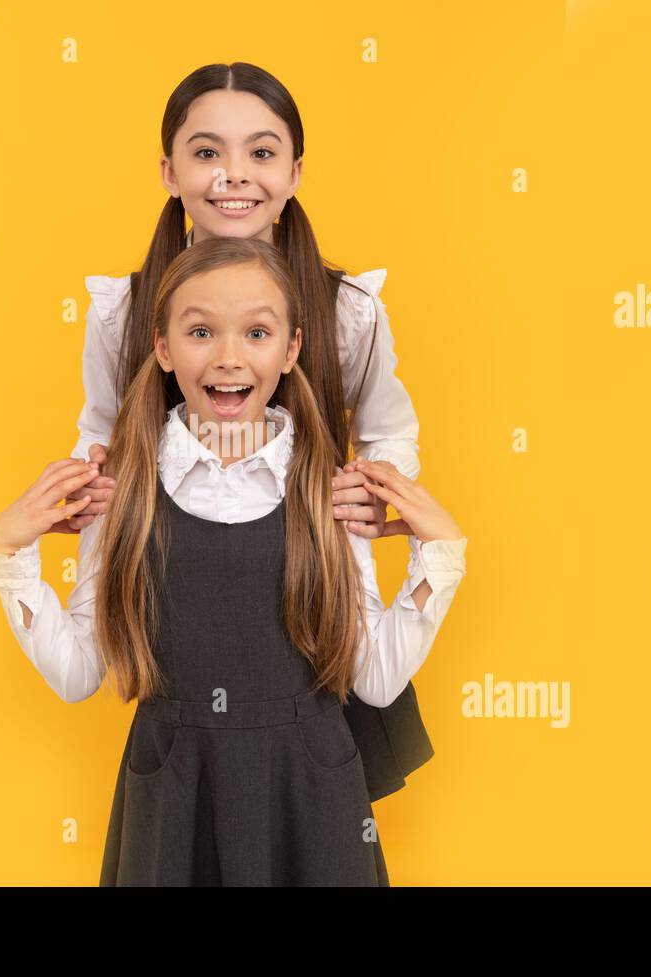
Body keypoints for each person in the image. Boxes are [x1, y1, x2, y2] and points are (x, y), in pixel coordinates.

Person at [0, 237, 467, 885]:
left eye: (257, 332)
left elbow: (374, 679)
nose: (229, 357)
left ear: (291, 349)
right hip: (175, 797)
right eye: (201, 331)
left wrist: (438, 558)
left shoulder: (328, 488)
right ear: (163, 347)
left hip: (311, 796)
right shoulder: (122, 489)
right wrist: (9, 555)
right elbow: (76, 674)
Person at [58, 62, 439, 801]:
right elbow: (100, 431)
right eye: (207, 152)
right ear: (169, 171)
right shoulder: (123, 312)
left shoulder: (346, 308)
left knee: (309, 812)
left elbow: (390, 432)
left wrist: (375, 490)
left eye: (261, 152)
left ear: (294, 173)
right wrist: (87, 490)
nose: (234, 174)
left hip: (308, 595)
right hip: (190, 599)